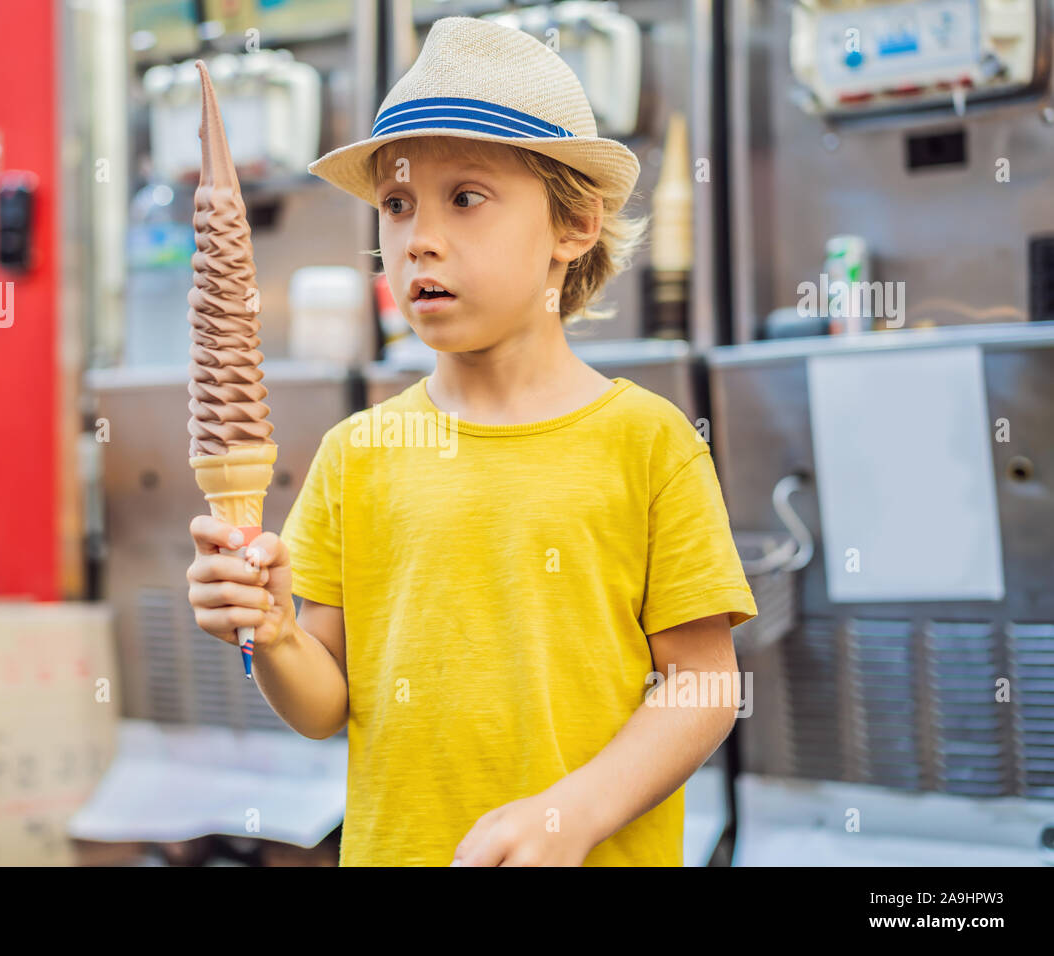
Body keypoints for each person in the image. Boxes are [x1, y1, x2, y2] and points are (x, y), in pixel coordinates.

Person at [187, 16, 757, 865]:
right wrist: (270, 635)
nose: (418, 237)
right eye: (396, 204)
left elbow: (705, 685)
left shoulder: (648, 441)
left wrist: (569, 816)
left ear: (574, 226)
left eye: (467, 198)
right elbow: (323, 706)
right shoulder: (358, 454)